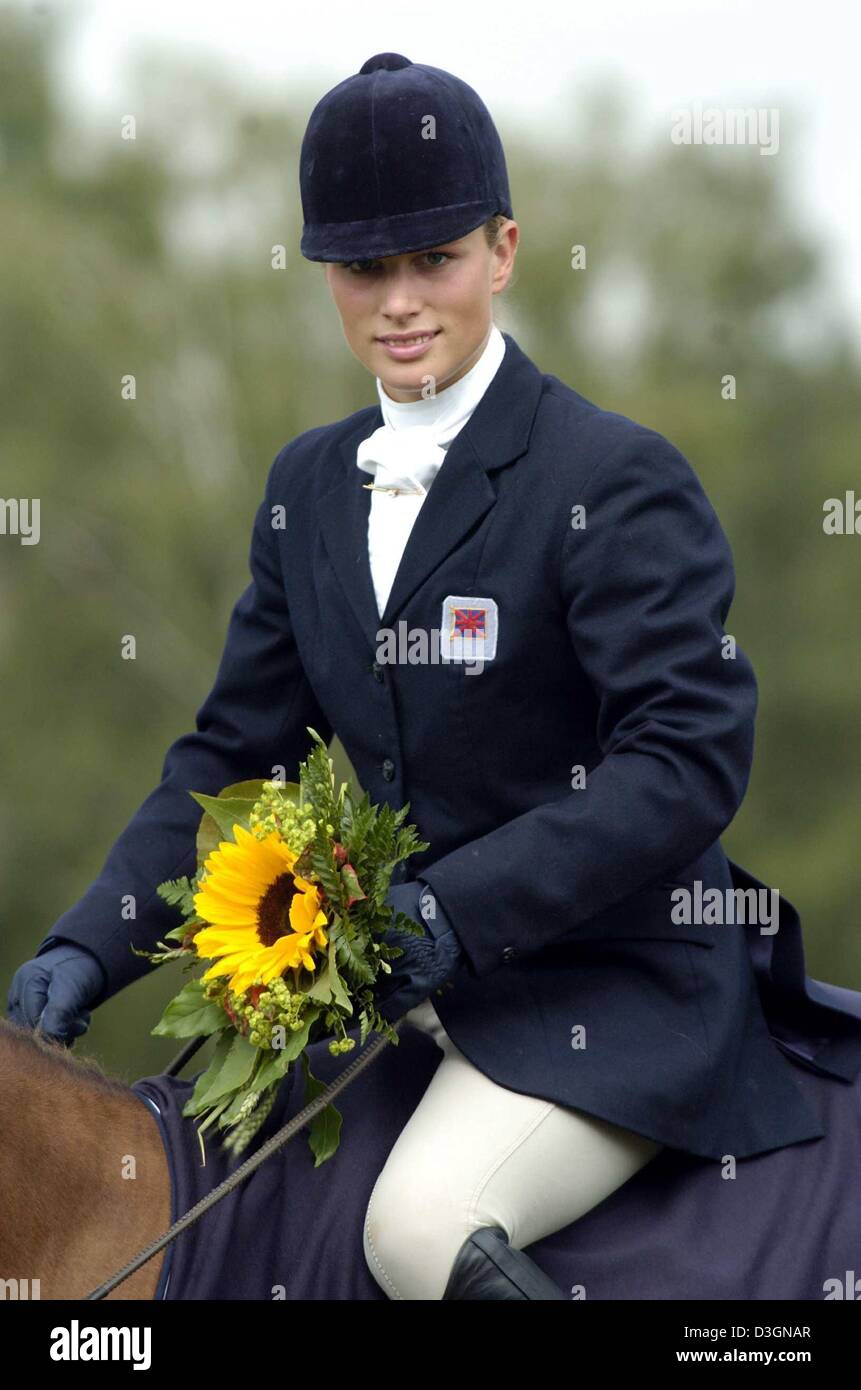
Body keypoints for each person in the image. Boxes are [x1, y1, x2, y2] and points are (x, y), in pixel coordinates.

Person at [8, 53, 861, 1301]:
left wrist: (466, 907)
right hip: (405, 987)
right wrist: (91, 944)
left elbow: (685, 759)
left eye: (435, 261)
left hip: (614, 992)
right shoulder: (307, 489)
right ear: (327, 280)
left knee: (419, 1228)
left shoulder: (609, 477)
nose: (401, 302)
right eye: (366, 270)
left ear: (504, 250)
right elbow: (230, 759)